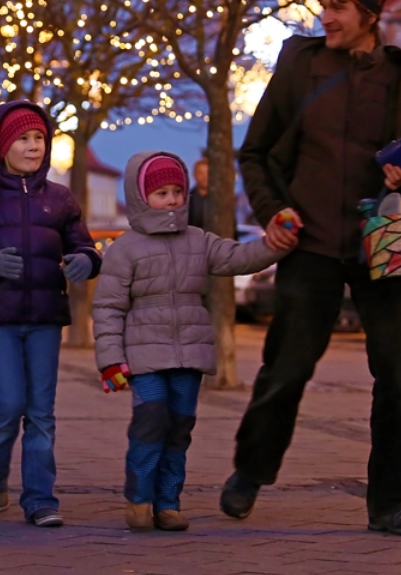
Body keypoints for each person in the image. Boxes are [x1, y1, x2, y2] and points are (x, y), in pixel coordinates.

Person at [221, 0, 401, 537]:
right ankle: (251, 470)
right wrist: (273, 210)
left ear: (369, 16)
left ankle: (392, 504)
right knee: (287, 369)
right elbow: (254, 153)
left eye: (339, 5)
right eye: (324, 3)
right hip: (313, 242)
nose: (326, 15)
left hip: (386, 248)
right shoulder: (300, 66)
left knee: (399, 379)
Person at [92, 153, 288, 532]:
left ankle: (168, 502)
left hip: (189, 353)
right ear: (140, 196)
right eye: (161, 192)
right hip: (145, 356)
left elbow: (240, 256)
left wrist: (275, 242)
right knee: (150, 423)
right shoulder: (125, 249)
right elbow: (108, 308)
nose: (171, 200)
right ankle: (139, 497)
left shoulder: (198, 240)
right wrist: (111, 361)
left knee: (179, 429)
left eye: (177, 192)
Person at [0, 101, 100, 527]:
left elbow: (81, 244)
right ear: (1, 145)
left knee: (42, 410)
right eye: (23, 139)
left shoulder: (61, 199)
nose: (33, 147)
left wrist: (89, 259)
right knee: (10, 402)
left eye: (39, 138)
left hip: (47, 317)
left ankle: (40, 499)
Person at [188, 158, 210, 229]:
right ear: (194, 175)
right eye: (201, 173)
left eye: (207, 173)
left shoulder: (221, 200)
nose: (204, 177)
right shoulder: (187, 199)